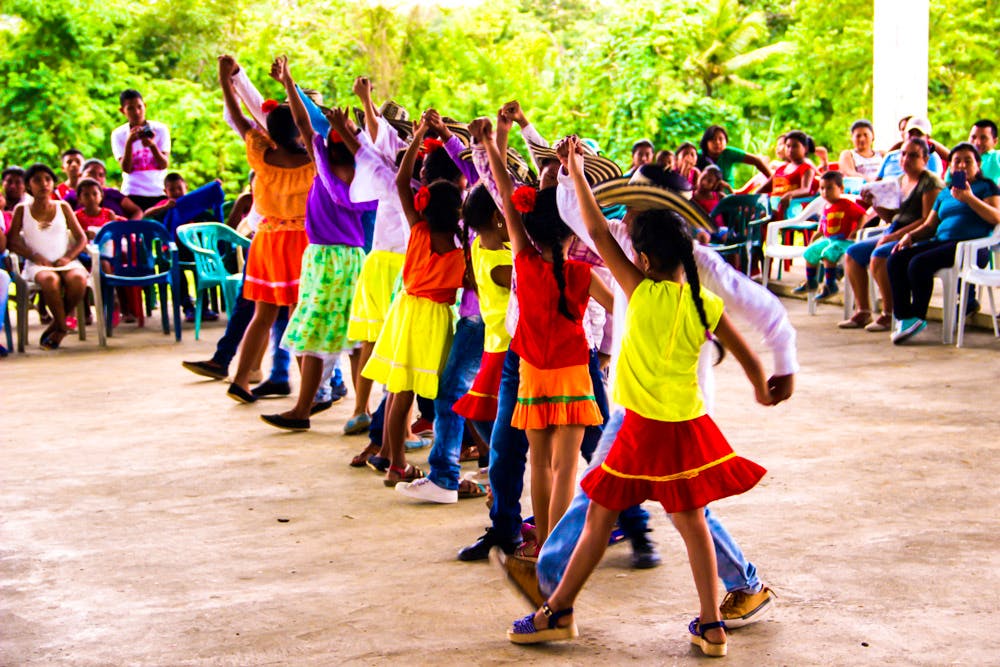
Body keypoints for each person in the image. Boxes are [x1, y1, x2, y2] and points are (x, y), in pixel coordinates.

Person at [505, 138, 769, 656]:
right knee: (692, 526)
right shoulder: (705, 302)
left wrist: (576, 171)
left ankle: (557, 611)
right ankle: (712, 626)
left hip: (640, 429)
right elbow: (749, 360)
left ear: (643, 257)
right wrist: (766, 386)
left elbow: (599, 231)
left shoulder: (637, 288)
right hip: (690, 430)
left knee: (600, 518)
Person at [482, 120, 610, 550]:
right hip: (574, 375)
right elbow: (623, 306)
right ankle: (557, 547)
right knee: (565, 467)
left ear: (530, 226)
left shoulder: (522, 260)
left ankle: (538, 546)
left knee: (538, 465)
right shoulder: (583, 272)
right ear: (571, 227)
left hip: (533, 376)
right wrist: (574, 172)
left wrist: (489, 144)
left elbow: (504, 193)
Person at [258, 57, 372, 431]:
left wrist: (289, 81)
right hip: (353, 259)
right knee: (354, 337)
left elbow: (305, 125)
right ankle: (360, 409)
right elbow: (313, 126)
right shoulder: (364, 175)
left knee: (312, 335)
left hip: (324, 259)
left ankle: (302, 410)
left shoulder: (322, 163)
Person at [360, 115, 466, 486]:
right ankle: (438, 457)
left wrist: (419, 137)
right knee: (443, 391)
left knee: (398, 390)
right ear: (458, 212)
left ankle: (395, 462)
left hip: (405, 311)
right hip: (435, 319)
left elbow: (402, 181)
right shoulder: (461, 249)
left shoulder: (417, 227)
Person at [217, 56, 315, 404]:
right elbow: (305, 124)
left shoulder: (261, 156)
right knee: (299, 317)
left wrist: (225, 81)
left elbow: (239, 119)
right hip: (300, 244)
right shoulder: (311, 162)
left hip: (266, 241)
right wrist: (288, 82)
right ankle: (310, 393)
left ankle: (241, 379)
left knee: (262, 315)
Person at [888, 142, 1000, 343]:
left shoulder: (987, 186)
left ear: (978, 164)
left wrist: (969, 198)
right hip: (942, 243)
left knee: (919, 263)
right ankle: (905, 317)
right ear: (950, 166)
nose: (962, 165)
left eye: (968, 161)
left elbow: (996, 217)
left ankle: (918, 315)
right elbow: (930, 225)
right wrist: (911, 236)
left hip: (971, 247)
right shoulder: (945, 193)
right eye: (957, 161)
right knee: (896, 259)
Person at [840, 138, 943, 330]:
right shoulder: (899, 180)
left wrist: (892, 237)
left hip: (919, 235)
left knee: (879, 256)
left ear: (925, 159)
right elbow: (892, 218)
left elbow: (927, 221)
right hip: (894, 230)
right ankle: (863, 311)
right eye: (903, 154)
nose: (906, 159)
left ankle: (889, 313)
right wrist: (875, 203)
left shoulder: (931, 183)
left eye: (913, 155)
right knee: (853, 253)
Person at [5, 164, 89, 350]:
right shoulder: (21, 209)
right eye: (37, 180)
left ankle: (56, 327)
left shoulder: (63, 206)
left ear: (53, 184)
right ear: (28, 186)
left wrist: (68, 257)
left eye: (47, 180)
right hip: (38, 264)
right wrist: (34, 256)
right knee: (50, 280)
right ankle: (62, 328)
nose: (43, 184)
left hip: (66, 261)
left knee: (78, 279)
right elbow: (12, 242)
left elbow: (82, 238)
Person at [791, 172, 866, 299]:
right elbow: (822, 225)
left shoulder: (847, 204)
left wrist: (858, 229)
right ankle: (811, 281)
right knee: (810, 251)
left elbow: (862, 215)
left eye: (830, 188)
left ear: (841, 188)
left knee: (828, 253)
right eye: (822, 188)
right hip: (829, 239)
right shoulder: (826, 206)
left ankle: (830, 285)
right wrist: (815, 237)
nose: (825, 192)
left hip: (845, 241)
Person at [111, 89, 171, 211]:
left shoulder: (160, 129)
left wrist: (152, 146)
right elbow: (126, 169)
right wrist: (129, 143)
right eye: (130, 108)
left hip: (158, 191)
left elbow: (164, 164)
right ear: (123, 111)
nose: (137, 112)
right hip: (132, 192)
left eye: (139, 107)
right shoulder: (119, 134)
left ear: (145, 106)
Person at [757, 130, 817, 220]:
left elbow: (806, 189)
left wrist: (790, 194)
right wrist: (752, 198)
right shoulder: (781, 169)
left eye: (795, 146)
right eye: (788, 146)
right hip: (773, 206)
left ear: (806, 148)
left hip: (792, 208)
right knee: (746, 212)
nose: (790, 150)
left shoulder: (806, 168)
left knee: (760, 216)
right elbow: (765, 188)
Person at [696, 125, 771, 189]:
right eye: (713, 139)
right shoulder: (698, 156)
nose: (717, 142)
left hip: (726, 196)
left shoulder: (729, 153)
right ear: (706, 142)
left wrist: (772, 179)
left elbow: (756, 160)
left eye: (721, 139)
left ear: (726, 141)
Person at [66, 159, 143, 220]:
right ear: (81, 175)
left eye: (101, 175)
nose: (97, 177)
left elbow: (137, 211)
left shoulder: (113, 194)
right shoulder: (72, 196)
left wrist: (129, 229)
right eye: (91, 173)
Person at [877, 116, 944, 180]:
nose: (913, 137)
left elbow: (934, 185)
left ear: (927, 138)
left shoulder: (932, 157)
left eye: (918, 134)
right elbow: (876, 182)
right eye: (911, 133)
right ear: (904, 134)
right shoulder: (890, 156)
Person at [968, 119, 999, 185]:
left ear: (995, 141)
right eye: (973, 137)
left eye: (983, 138)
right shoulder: (959, 159)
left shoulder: (997, 156)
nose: (977, 143)